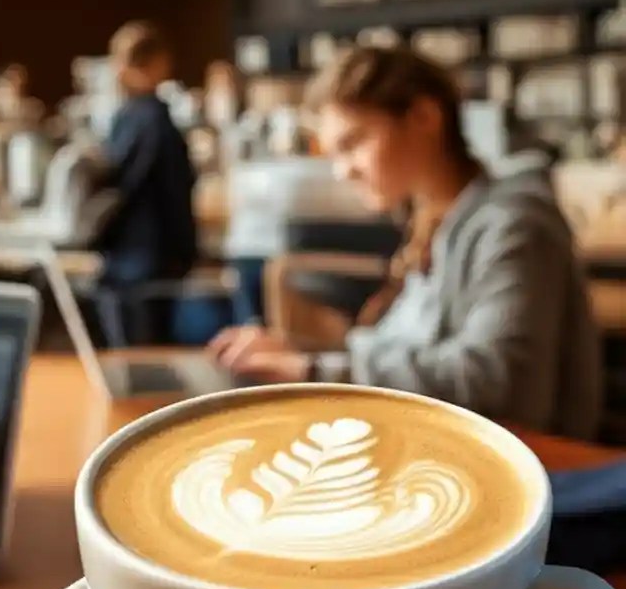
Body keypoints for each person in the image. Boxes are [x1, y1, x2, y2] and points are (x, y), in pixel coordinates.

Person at [209, 46, 603, 439]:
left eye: (354, 142)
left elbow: (500, 383)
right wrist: (295, 351)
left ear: (424, 117)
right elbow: (410, 349)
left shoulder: (515, 224)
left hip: (533, 461)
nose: (343, 172)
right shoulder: (435, 222)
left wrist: (316, 371)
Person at [94, 21, 199, 346]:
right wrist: (187, 254)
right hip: (151, 262)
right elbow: (174, 194)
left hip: (121, 261)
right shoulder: (155, 122)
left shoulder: (123, 119)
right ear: (159, 63)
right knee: (148, 355)